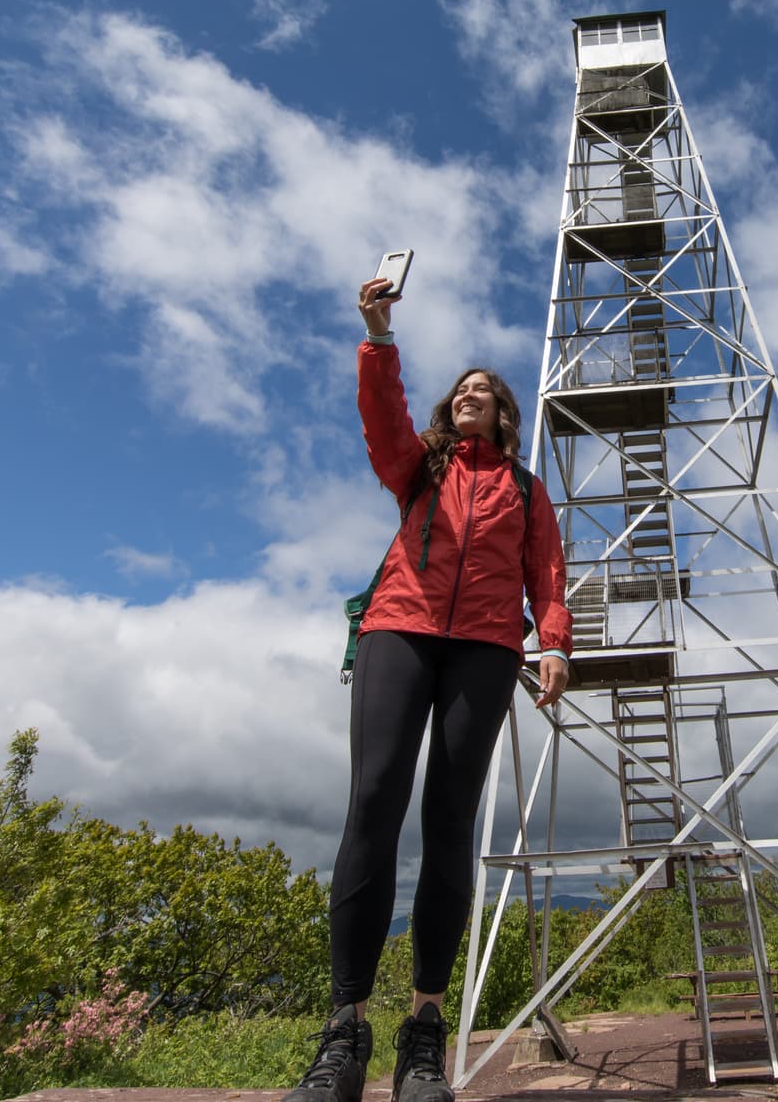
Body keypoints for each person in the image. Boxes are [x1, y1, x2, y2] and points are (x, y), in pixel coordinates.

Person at [288, 275, 574, 1102]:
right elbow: (382, 423)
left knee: (449, 816)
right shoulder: (419, 468)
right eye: (464, 391)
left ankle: (423, 1037)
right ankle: (342, 1036)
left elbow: (547, 574)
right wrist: (378, 338)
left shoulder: (526, 491)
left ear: (507, 416)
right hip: (399, 630)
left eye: (487, 392)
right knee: (375, 796)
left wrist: (552, 644)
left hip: (486, 647)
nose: (474, 395)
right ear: (451, 413)